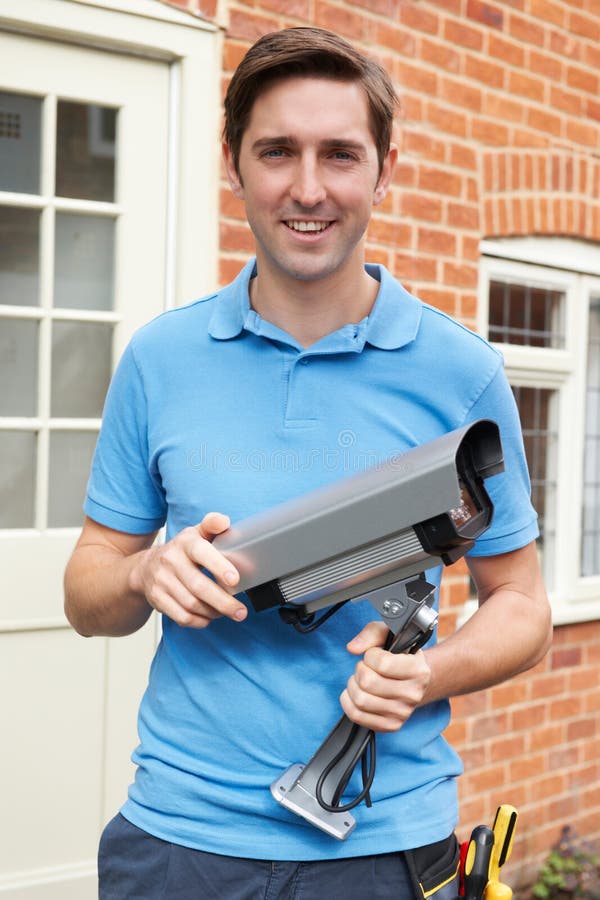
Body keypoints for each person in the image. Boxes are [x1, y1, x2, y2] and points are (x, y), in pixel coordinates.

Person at [64, 26, 552, 900]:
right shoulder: (160, 359)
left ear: (384, 170)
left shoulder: (460, 371)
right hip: (180, 842)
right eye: (277, 151)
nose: (308, 187)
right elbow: (87, 593)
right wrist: (144, 572)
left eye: (340, 154)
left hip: (383, 847)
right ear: (234, 163)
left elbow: (520, 601)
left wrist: (425, 673)